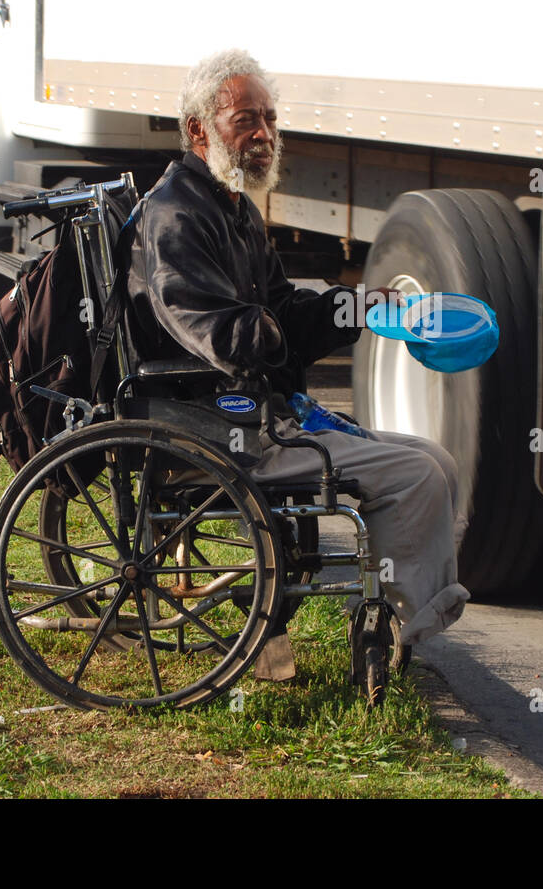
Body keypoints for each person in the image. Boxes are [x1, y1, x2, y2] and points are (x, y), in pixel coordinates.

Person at [122, 48, 470, 647]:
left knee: (436, 459)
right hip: (218, 422)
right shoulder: (177, 215)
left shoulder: (234, 209)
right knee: (416, 474)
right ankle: (409, 622)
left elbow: (284, 312)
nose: (264, 134)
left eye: (271, 119)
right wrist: (281, 328)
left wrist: (359, 306)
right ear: (199, 130)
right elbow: (225, 337)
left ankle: (403, 611)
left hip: (255, 412)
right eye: (246, 120)